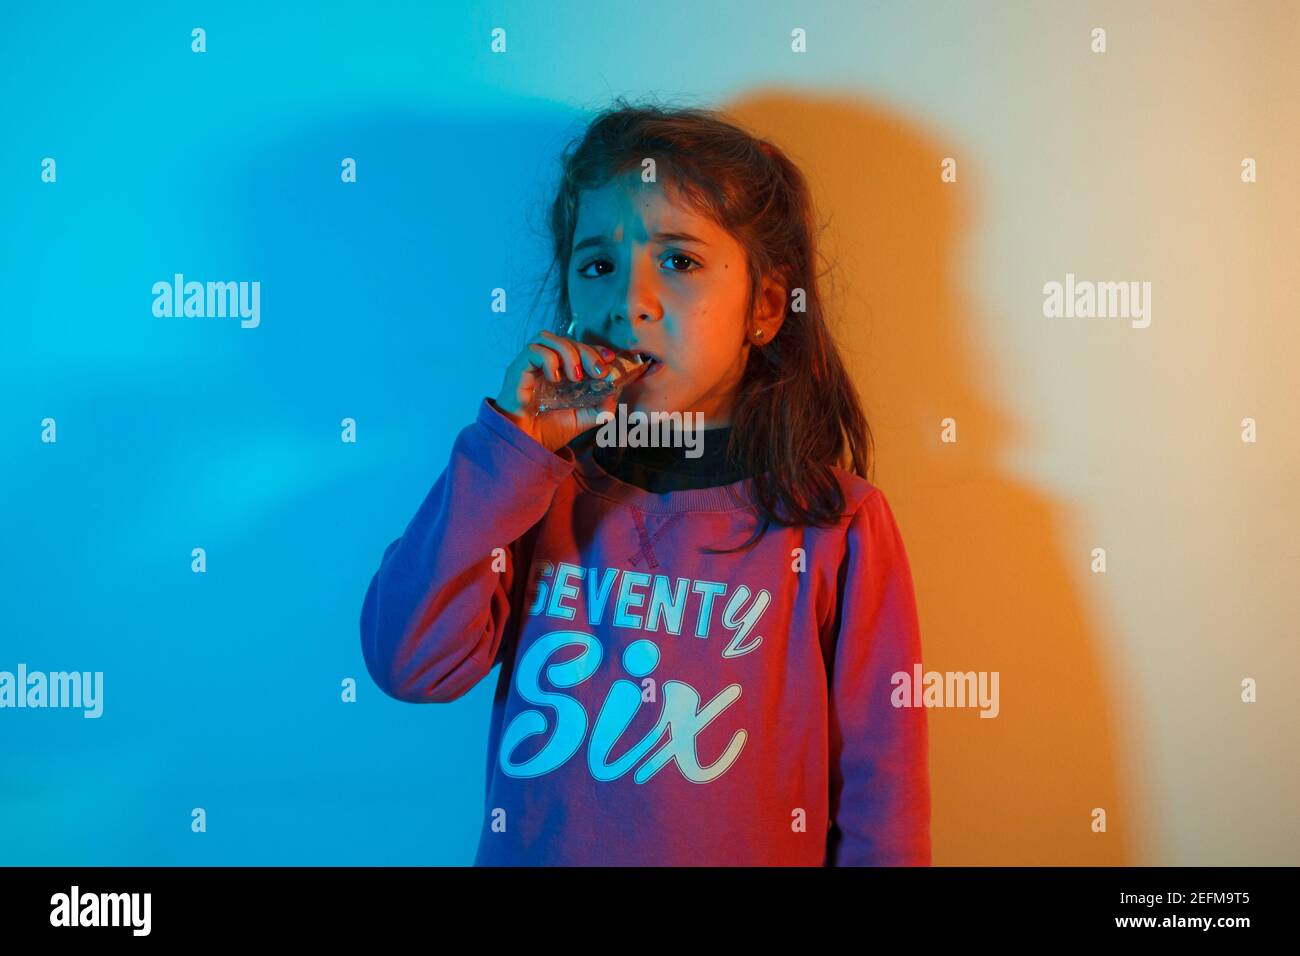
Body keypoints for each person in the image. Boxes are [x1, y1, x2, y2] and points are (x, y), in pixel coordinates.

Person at [359, 98, 931, 866]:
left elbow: (883, 802)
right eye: (598, 265)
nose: (628, 301)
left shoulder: (837, 525)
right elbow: (411, 663)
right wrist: (509, 447)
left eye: (680, 260)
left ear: (765, 306)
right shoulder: (533, 493)